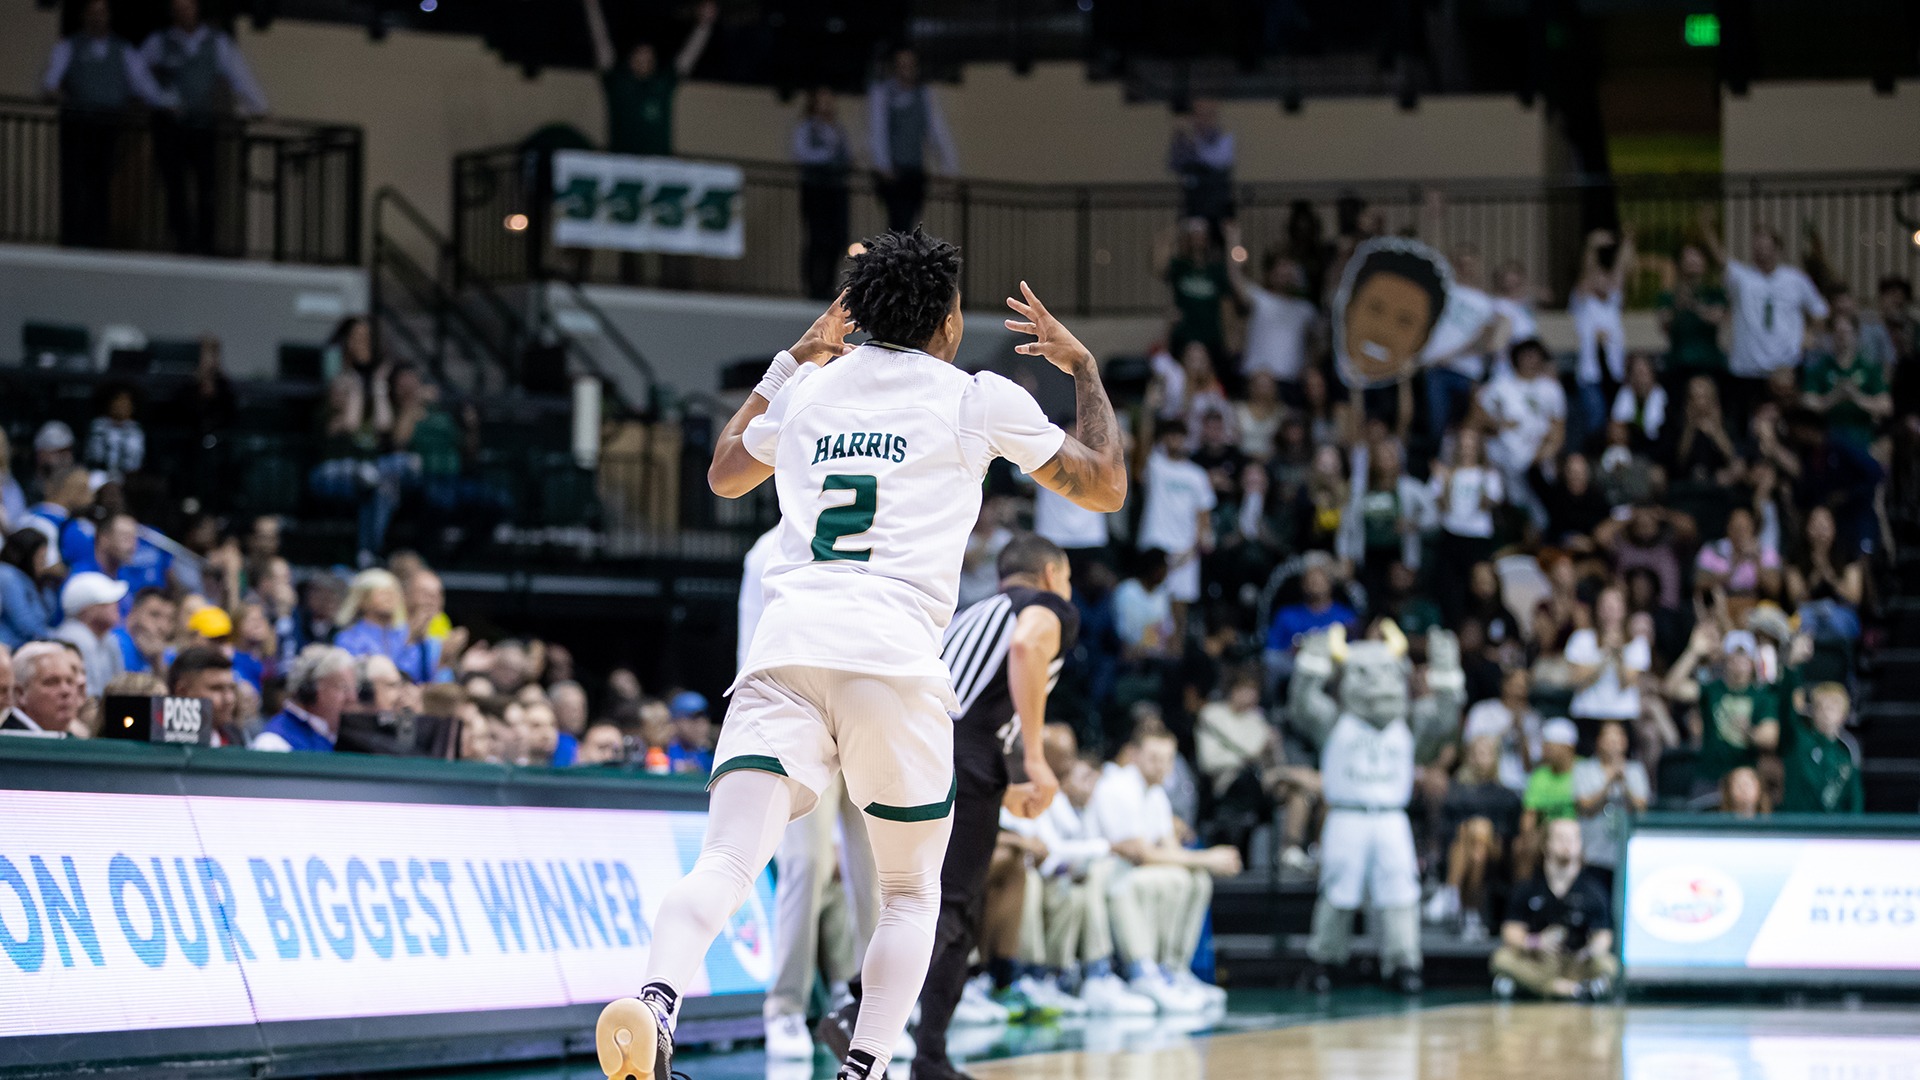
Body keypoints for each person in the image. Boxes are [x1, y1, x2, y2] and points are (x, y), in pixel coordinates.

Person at [598, 229, 1126, 1080]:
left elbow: (725, 474)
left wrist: (788, 362)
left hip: (787, 650)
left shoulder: (809, 389)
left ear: (857, 313)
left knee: (727, 861)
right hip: (894, 661)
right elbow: (1103, 483)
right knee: (911, 893)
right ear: (948, 322)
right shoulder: (974, 396)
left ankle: (656, 999)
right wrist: (1086, 372)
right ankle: (867, 1066)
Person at [818, 534, 1082, 1077]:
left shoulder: (968, 613)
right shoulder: (1046, 608)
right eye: (1070, 579)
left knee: (950, 912)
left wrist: (1004, 779)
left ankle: (930, 1055)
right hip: (964, 756)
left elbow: (969, 698)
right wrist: (1033, 757)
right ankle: (855, 1010)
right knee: (941, 907)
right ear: (1052, 574)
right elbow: (1028, 650)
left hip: (916, 748)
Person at [1088, 724, 1238, 1011]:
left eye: (1168, 759)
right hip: (1104, 873)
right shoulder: (1118, 786)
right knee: (1178, 876)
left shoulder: (1155, 793)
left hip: (1132, 871)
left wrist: (1200, 863)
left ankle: (1174, 968)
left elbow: (1170, 849)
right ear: (1134, 755)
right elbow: (1139, 853)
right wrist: (1206, 858)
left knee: (1195, 879)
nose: (1162, 767)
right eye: (1154, 758)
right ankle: (1142, 968)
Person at [139, 0, 269, 254]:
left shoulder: (215, 42)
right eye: (178, 7)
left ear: (197, 8)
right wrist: (163, 99)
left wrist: (260, 108)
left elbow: (239, 75)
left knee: (207, 186)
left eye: (188, 6)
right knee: (175, 187)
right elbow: (137, 72)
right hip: (171, 128)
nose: (184, 12)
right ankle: (182, 240)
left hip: (202, 127)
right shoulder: (160, 41)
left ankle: (205, 243)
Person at [42, 0, 172, 249]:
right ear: (84, 17)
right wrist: (55, 92)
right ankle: (73, 236)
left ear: (109, 17)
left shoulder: (121, 50)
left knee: (100, 183)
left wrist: (166, 103)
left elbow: (143, 84)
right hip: (78, 125)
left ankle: (97, 235)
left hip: (107, 127)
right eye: (92, 13)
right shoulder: (70, 46)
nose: (97, 18)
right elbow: (51, 82)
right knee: (75, 180)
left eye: (101, 13)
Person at [1701, 218, 1830, 410]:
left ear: (1778, 249)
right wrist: (1707, 229)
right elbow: (1720, 258)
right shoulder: (1742, 278)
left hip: (1785, 369)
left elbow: (1820, 311)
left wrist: (1808, 336)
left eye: (1766, 246)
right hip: (1747, 369)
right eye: (1757, 247)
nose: (1761, 252)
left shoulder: (1795, 279)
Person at [1491, 818, 1616, 1000]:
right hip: (1539, 961)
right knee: (1501, 958)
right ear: (1546, 844)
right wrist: (1535, 942)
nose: (1568, 844)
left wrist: (1590, 950)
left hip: (1576, 961)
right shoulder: (1528, 888)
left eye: (1573, 839)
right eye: (1560, 838)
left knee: (1608, 965)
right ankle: (1565, 988)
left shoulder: (1593, 890)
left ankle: (1539, 987)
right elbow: (1510, 931)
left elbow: (1604, 934)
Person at [582, 0, 715, 156]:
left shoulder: (663, 83)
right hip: (622, 163)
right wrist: (592, 6)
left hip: (658, 167)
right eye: (639, 58)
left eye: (648, 59)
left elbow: (688, 56)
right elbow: (601, 41)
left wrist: (704, 26)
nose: (643, 63)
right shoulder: (617, 81)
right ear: (629, 59)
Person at [1663, 623, 1779, 792]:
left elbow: (1771, 736)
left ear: (1752, 661)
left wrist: (1750, 733)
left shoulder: (1762, 697)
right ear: (1726, 659)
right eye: (1734, 655)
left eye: (1744, 655)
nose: (1739, 661)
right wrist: (1693, 652)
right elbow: (1670, 688)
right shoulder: (1712, 690)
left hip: (1743, 781)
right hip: (1710, 777)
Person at [1136, 419, 1216, 640]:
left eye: (1180, 436)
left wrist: (1194, 550)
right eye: (1171, 435)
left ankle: (1176, 655)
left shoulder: (1197, 475)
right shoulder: (1155, 465)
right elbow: (1140, 452)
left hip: (1186, 551)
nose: (1175, 440)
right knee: (1150, 605)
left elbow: (1204, 517)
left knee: (1180, 611)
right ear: (1163, 438)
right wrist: (1150, 414)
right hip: (1155, 546)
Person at [867, 48, 958, 233]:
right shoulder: (883, 94)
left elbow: (937, 131)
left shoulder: (923, 94)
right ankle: (896, 260)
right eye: (901, 65)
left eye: (909, 65)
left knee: (909, 221)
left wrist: (949, 167)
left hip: (915, 171)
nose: (906, 69)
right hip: (894, 172)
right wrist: (884, 166)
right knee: (898, 222)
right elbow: (878, 131)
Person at [1427, 426, 1504, 626]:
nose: (1466, 449)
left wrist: (1483, 489)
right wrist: (1446, 482)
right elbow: (1442, 507)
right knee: (1449, 588)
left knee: (1479, 588)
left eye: (1471, 444)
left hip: (1477, 537)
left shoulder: (1488, 474)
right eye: (1463, 444)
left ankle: (1480, 628)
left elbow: (1489, 503)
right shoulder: (1446, 473)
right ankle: (1452, 628)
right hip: (1452, 535)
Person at [1569, 228, 1635, 445]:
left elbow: (1620, 273)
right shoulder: (1584, 303)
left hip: (1615, 374)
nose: (1605, 279)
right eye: (1600, 276)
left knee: (1617, 422)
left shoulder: (1612, 304)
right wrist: (1592, 246)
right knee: (1596, 423)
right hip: (1591, 376)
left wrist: (1627, 241)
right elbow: (1587, 272)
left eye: (1606, 276)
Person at [792, 88, 854, 300]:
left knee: (836, 239)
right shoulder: (807, 128)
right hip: (815, 188)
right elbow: (803, 154)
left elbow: (847, 154)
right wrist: (828, 153)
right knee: (817, 238)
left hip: (835, 188)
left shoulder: (838, 129)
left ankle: (828, 284)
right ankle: (813, 286)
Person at [1570, 720, 1647, 892]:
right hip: (1592, 853)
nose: (1613, 741)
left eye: (1618, 736)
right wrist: (1609, 781)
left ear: (1625, 742)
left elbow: (1641, 810)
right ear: (1599, 741)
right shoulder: (1583, 769)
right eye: (1608, 736)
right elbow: (1585, 807)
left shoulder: (1635, 770)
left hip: (1625, 853)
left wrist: (1625, 785)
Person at [251, 644, 357, 753]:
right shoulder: (273, 743)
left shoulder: (329, 736)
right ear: (310, 690)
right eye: (343, 688)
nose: (352, 698)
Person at [1777, 682, 1862, 814]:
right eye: (1820, 707)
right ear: (1812, 713)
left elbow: (1855, 804)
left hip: (1831, 832)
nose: (1826, 712)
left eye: (1832, 707)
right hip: (1796, 828)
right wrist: (1791, 671)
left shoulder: (1845, 756)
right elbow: (1785, 711)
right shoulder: (1797, 742)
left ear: (1843, 715)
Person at [1658, 242, 1729, 398]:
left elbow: (1717, 317)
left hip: (1710, 363)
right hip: (1678, 364)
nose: (1692, 261)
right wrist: (1677, 307)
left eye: (1696, 257)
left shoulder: (1714, 293)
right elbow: (1663, 324)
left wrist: (1693, 305)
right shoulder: (1669, 296)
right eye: (1687, 257)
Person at [51, 571, 127, 696]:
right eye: (107, 603)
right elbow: (91, 694)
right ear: (87, 610)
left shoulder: (108, 638)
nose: (116, 606)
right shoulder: (76, 638)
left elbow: (120, 686)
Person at [1168, 99, 1235, 231]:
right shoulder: (1183, 140)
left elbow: (1219, 161)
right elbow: (1175, 164)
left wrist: (1194, 144)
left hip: (1218, 205)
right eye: (1199, 115)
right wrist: (1182, 138)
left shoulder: (1222, 139)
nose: (1203, 120)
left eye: (1208, 115)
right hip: (1195, 204)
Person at [332, 568, 412, 665]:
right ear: (363, 600)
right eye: (383, 593)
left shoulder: (405, 633)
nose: (390, 598)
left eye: (393, 593)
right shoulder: (349, 638)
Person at [168, 644, 242, 747]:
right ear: (182, 692)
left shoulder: (235, 735)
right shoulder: (163, 744)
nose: (229, 699)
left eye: (231, 688)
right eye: (216, 688)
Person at [4, 642, 85, 734]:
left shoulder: (76, 738)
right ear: (21, 693)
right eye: (52, 682)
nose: (66, 691)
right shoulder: (8, 740)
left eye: (70, 682)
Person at [0, 530, 56, 649]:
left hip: (29, 645)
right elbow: (24, 623)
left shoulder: (32, 579)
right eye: (40, 558)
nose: (44, 562)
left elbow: (49, 614)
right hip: (11, 647)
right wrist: (53, 641)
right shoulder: (7, 576)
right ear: (27, 556)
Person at [113, 587, 176, 677]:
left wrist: (157, 661)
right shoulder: (114, 643)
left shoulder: (168, 655)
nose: (163, 626)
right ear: (133, 614)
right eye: (154, 615)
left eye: (170, 619)